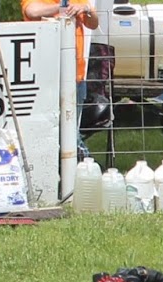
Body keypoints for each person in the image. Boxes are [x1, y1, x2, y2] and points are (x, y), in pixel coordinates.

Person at [23, 0, 98, 161]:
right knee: (47, 131)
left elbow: (93, 23)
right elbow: (32, 11)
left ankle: (77, 168)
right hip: (46, 77)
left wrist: (85, 8)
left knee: (71, 130)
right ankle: (80, 165)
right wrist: (63, 8)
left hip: (75, 75)